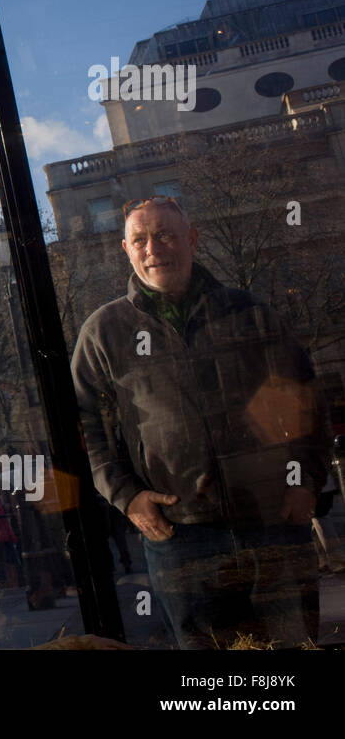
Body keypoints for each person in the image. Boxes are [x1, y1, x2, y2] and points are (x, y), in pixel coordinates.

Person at [73, 195, 332, 649]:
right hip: (180, 535)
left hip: (273, 522)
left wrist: (306, 480)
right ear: (126, 249)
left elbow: (306, 402)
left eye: (166, 235)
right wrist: (128, 496)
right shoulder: (104, 332)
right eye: (140, 240)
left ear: (192, 240)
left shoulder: (250, 313)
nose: (153, 248)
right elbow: (85, 424)